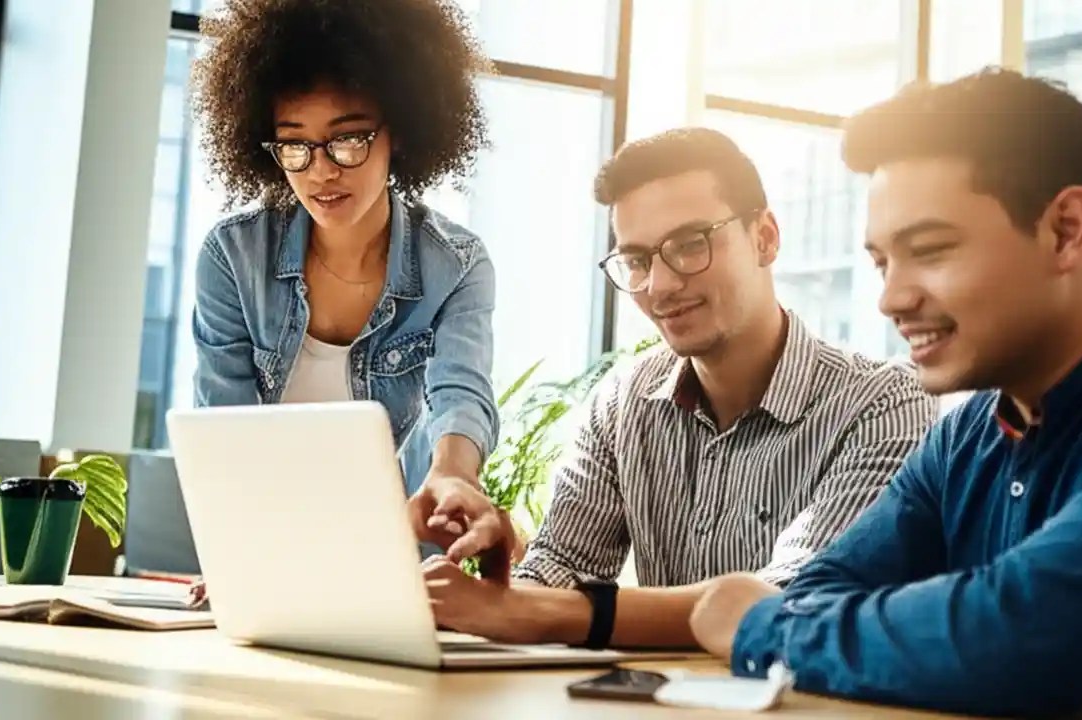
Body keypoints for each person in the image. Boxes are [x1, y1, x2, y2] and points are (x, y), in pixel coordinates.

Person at [688, 68, 1082, 717]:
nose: (891, 299)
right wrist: (978, 644)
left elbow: (1015, 639)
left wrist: (762, 627)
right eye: (883, 262)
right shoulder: (964, 436)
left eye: (931, 250)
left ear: (1066, 230)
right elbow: (823, 586)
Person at [420, 128, 938, 648]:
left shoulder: (883, 403)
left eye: (690, 245)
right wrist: (492, 588)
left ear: (765, 238)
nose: (660, 286)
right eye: (639, 261)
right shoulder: (623, 402)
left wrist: (544, 611)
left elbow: (795, 599)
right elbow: (562, 566)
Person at [188, 0, 512, 571]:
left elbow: (460, 392)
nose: (320, 170)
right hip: (261, 554)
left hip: (391, 561)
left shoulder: (455, 266)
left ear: (401, 132)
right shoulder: (233, 257)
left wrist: (453, 474)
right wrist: (237, 562)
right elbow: (224, 434)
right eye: (295, 144)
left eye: (349, 140)